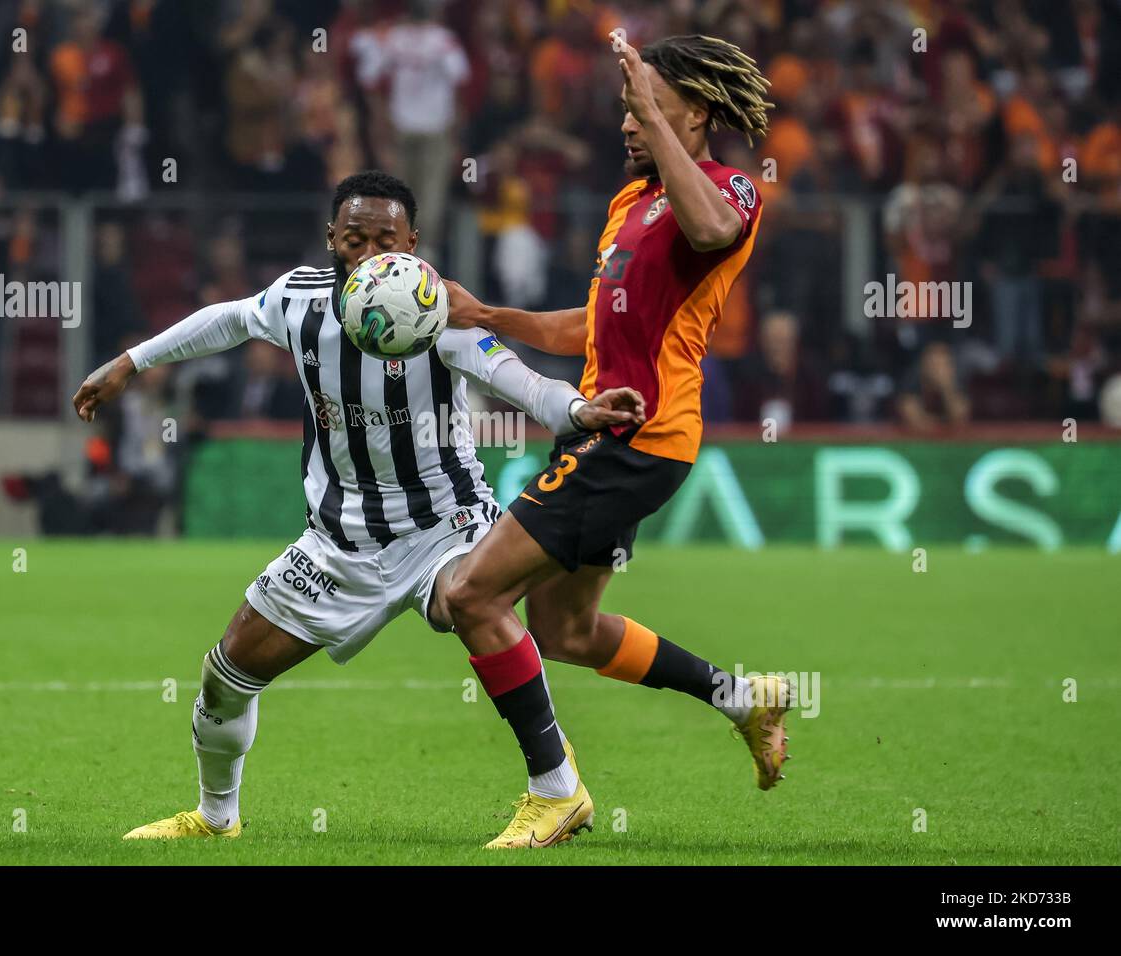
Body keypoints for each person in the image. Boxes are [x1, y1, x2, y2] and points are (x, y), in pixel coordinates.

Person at [71, 171, 644, 848]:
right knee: (225, 674)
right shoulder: (298, 302)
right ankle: (215, 818)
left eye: (385, 239)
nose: (369, 254)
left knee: (472, 601)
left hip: (445, 526)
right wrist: (131, 361)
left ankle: (555, 788)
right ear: (331, 240)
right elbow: (227, 319)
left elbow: (516, 380)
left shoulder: (439, 315)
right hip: (338, 544)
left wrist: (579, 410)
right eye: (354, 239)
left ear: (413, 242)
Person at [444, 35, 794, 793]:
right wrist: (489, 314)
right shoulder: (631, 202)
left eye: (644, 110)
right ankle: (742, 698)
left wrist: (657, 117)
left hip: (642, 438)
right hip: (608, 429)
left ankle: (553, 794)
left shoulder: (732, 190)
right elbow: (593, 325)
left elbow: (710, 233)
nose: (628, 125)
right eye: (627, 111)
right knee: (565, 630)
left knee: (467, 595)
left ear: (695, 114)